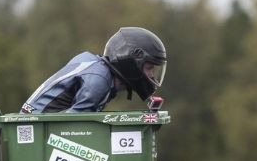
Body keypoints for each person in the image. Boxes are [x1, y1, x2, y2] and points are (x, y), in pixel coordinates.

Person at [20, 27, 167, 113]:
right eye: (149, 68)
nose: (151, 74)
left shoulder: (92, 62)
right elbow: (76, 129)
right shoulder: (99, 81)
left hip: (34, 123)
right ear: (132, 62)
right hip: (36, 131)